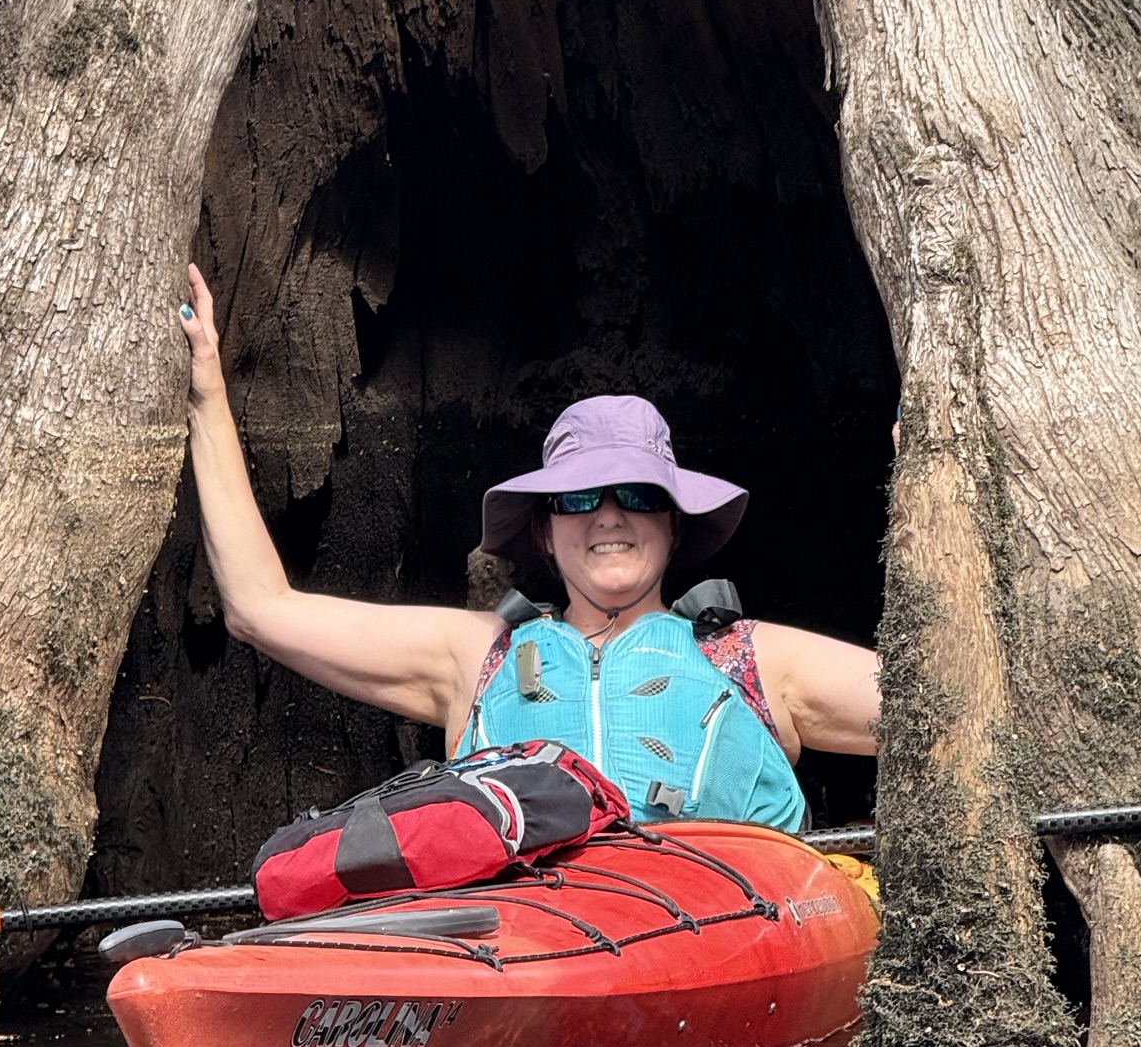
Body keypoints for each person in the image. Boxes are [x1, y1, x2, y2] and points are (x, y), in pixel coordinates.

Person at [179, 265, 879, 833]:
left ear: (674, 524)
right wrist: (206, 395)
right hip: (527, 937)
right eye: (578, 498)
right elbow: (259, 607)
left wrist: (925, 474)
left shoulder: (750, 659)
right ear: (544, 531)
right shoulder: (476, 656)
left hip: (718, 932)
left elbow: (930, 703)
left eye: (637, 495)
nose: (609, 516)